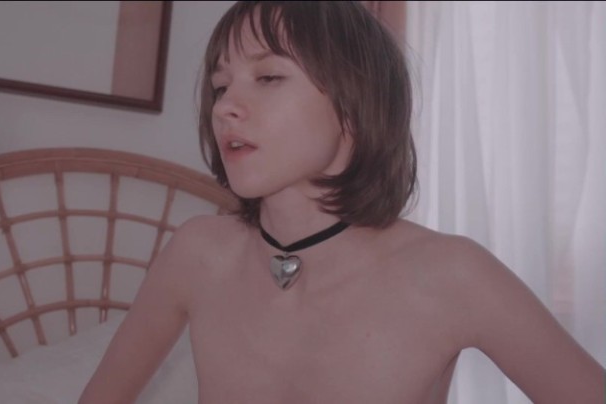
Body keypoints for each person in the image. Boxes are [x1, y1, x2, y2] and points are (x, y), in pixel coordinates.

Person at [79, 2, 605, 403]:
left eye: (268, 77)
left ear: (354, 104)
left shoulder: (453, 274)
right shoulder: (198, 254)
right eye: (220, 86)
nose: (226, 108)